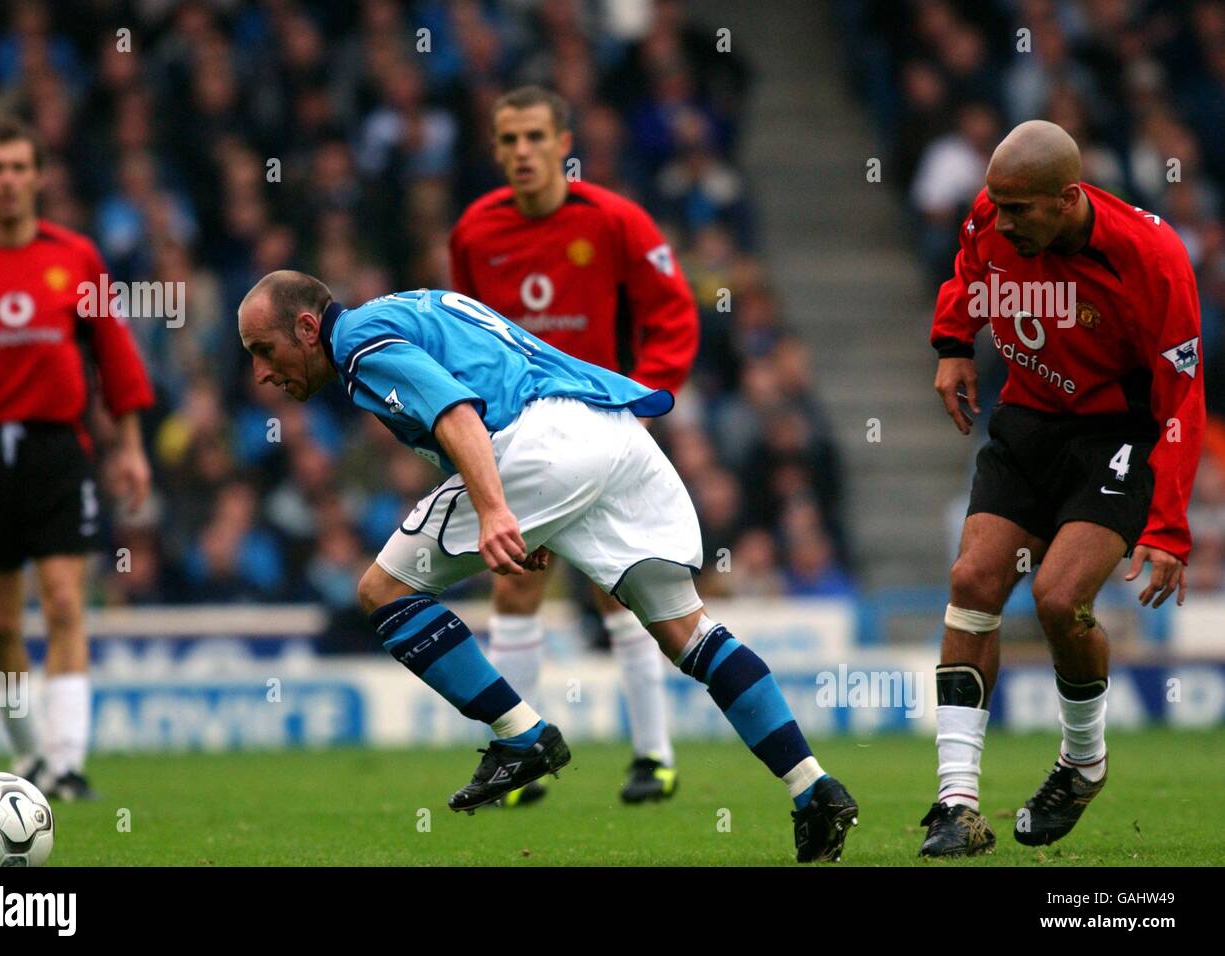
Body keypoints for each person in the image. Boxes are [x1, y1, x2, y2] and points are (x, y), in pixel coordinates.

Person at [237, 271, 859, 862]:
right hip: (610, 431)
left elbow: (457, 413)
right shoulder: (404, 309)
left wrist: (496, 509)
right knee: (686, 634)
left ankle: (521, 735)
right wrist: (531, 514)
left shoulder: (360, 344)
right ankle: (814, 788)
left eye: (264, 350)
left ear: (308, 329)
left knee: (381, 590)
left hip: (545, 443)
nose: (261, 372)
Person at [925, 120, 1204, 855]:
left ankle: (1083, 763)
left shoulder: (1153, 259)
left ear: (1067, 199)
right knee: (972, 580)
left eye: (1017, 210)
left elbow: (1184, 401)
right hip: (1027, 421)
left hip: (1117, 437)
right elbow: (968, 268)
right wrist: (954, 343)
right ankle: (956, 803)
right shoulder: (995, 214)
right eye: (995, 204)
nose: (999, 219)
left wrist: (1169, 527)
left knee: (1057, 597)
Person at [450, 85, 699, 805]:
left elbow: (673, 312)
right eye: (508, 140)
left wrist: (640, 409)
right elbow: (467, 337)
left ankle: (653, 757)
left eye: (534, 137)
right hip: (522, 436)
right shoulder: (474, 232)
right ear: (495, 149)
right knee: (515, 582)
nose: (522, 152)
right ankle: (522, 757)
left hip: (601, 429)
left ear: (564, 142)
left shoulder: (614, 220)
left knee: (625, 588)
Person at [0, 120, 154, 799]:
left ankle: (70, 763)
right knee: (0, 623)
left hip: (59, 450)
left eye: (20, 167)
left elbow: (113, 352)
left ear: (39, 177)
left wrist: (134, 446)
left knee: (63, 603)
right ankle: (30, 760)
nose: (7, 181)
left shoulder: (76, 257)